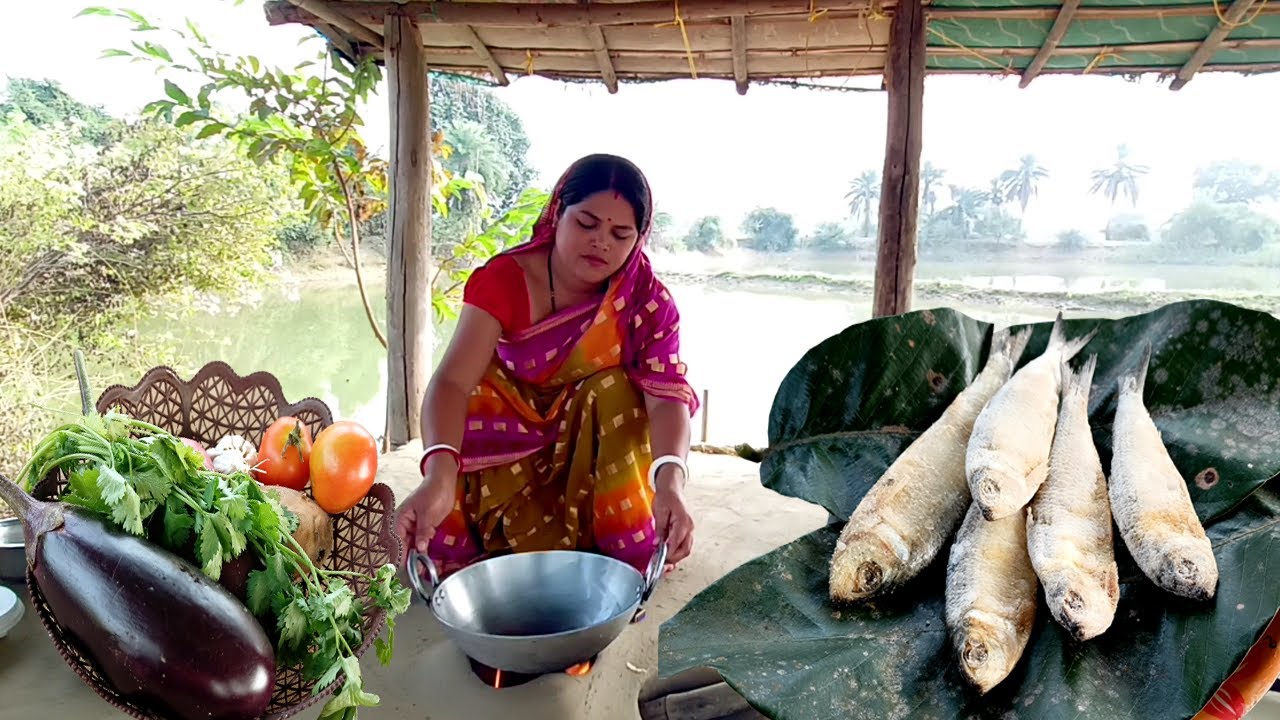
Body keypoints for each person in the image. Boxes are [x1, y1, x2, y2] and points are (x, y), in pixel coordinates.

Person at [394, 153, 698, 579]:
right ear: (557, 214)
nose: (601, 242)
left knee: (615, 391)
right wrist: (439, 476)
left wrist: (670, 483)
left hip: (590, 458)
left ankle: (612, 547)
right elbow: (452, 383)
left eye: (620, 234)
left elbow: (666, 400)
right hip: (507, 450)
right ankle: (481, 529)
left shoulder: (646, 302)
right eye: (586, 224)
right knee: (482, 386)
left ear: (639, 238)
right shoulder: (505, 280)